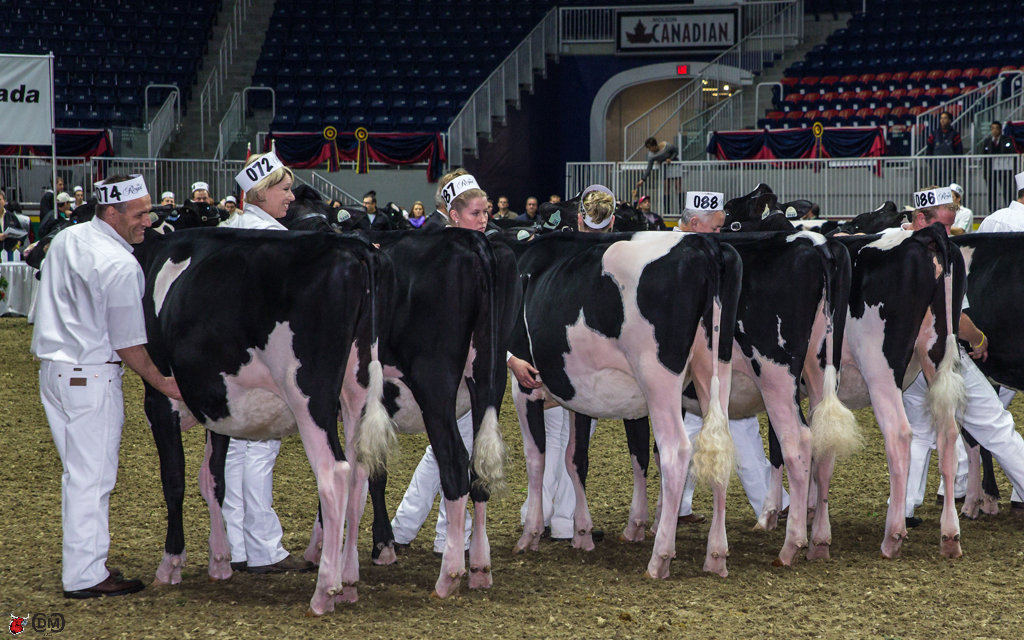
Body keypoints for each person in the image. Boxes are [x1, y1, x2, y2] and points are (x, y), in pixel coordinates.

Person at [31, 174, 182, 599]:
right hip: (92, 376)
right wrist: (164, 383)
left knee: (78, 476)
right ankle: (85, 576)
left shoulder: (67, 238)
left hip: (54, 371)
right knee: (92, 480)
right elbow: (128, 343)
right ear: (111, 212)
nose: (148, 222)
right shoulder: (120, 264)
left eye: (149, 212)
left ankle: (85, 564)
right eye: (139, 214)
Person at [391, 169, 549, 553]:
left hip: (471, 372)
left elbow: (485, 325)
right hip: (437, 371)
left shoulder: (487, 252)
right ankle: (441, 536)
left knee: (444, 448)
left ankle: (410, 530)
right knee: (448, 449)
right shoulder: (432, 252)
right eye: (476, 213)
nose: (484, 220)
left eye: (486, 212)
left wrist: (507, 359)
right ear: (454, 215)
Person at [900, 184, 1024, 527]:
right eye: (943, 222)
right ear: (922, 218)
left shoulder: (895, 245)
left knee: (919, 432)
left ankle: (904, 508)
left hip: (904, 360)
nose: (947, 230)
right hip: (942, 353)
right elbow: (955, 316)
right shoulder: (941, 255)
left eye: (951, 223)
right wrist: (979, 339)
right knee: (996, 426)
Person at [218, 151, 313, 574]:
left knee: (236, 449)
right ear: (260, 192)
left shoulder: (229, 229)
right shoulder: (274, 237)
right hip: (263, 357)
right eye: (285, 189)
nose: (291, 197)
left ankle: (237, 546)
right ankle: (263, 550)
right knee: (260, 449)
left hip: (228, 356)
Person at [675, 191, 789, 523]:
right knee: (726, 425)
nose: (720, 235)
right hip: (687, 361)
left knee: (705, 426)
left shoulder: (699, 250)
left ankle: (677, 507)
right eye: (715, 229)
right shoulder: (671, 254)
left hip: (708, 357)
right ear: (694, 224)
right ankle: (771, 504)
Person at [979, 121, 1016, 214]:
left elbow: (1012, 151)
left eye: (996, 128)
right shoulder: (987, 141)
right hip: (991, 171)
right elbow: (983, 156)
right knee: (992, 192)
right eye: (992, 128)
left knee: (1007, 191)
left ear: (1000, 130)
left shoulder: (1007, 139)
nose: (994, 130)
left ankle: (1010, 211)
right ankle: (992, 211)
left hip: (1004, 170)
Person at [925, 112, 963, 189]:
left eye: (945, 118)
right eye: (941, 118)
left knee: (950, 188)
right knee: (937, 187)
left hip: (950, 167)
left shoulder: (955, 134)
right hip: (936, 167)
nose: (942, 120)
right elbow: (929, 149)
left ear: (949, 120)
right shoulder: (934, 134)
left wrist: (955, 164)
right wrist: (931, 163)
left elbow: (959, 150)